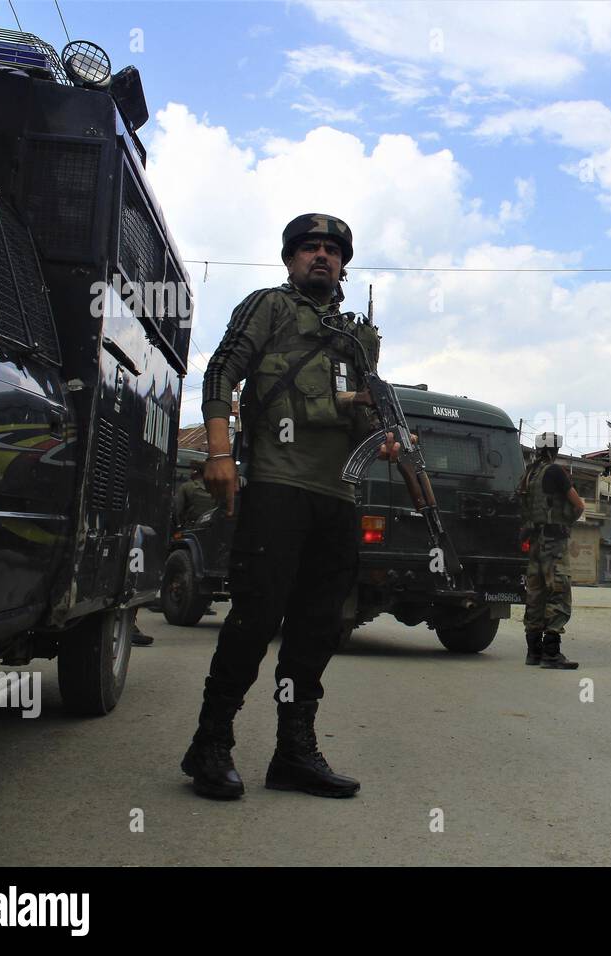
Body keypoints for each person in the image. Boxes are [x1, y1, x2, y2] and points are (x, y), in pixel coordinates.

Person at [179, 213, 394, 800]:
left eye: (332, 250)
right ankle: (211, 743)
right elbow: (222, 370)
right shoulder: (268, 307)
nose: (321, 256)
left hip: (337, 495)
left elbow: (365, 411)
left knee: (317, 628)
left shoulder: (357, 337)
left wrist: (387, 436)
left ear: (345, 264)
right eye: (309, 248)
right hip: (277, 485)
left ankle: (293, 751)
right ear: (290, 259)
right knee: (255, 617)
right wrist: (219, 451)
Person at [519, 432, 585, 669]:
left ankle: (533, 652)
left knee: (535, 594)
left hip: (534, 542)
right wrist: (565, 521)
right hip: (553, 542)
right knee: (558, 593)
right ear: (555, 450)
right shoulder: (555, 472)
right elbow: (578, 505)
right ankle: (551, 653)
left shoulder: (529, 474)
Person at [174, 460, 217, 527]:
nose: (189, 472)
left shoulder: (187, 487)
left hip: (191, 527)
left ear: (195, 471)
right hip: (211, 527)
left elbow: (178, 511)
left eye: (191, 470)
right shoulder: (217, 489)